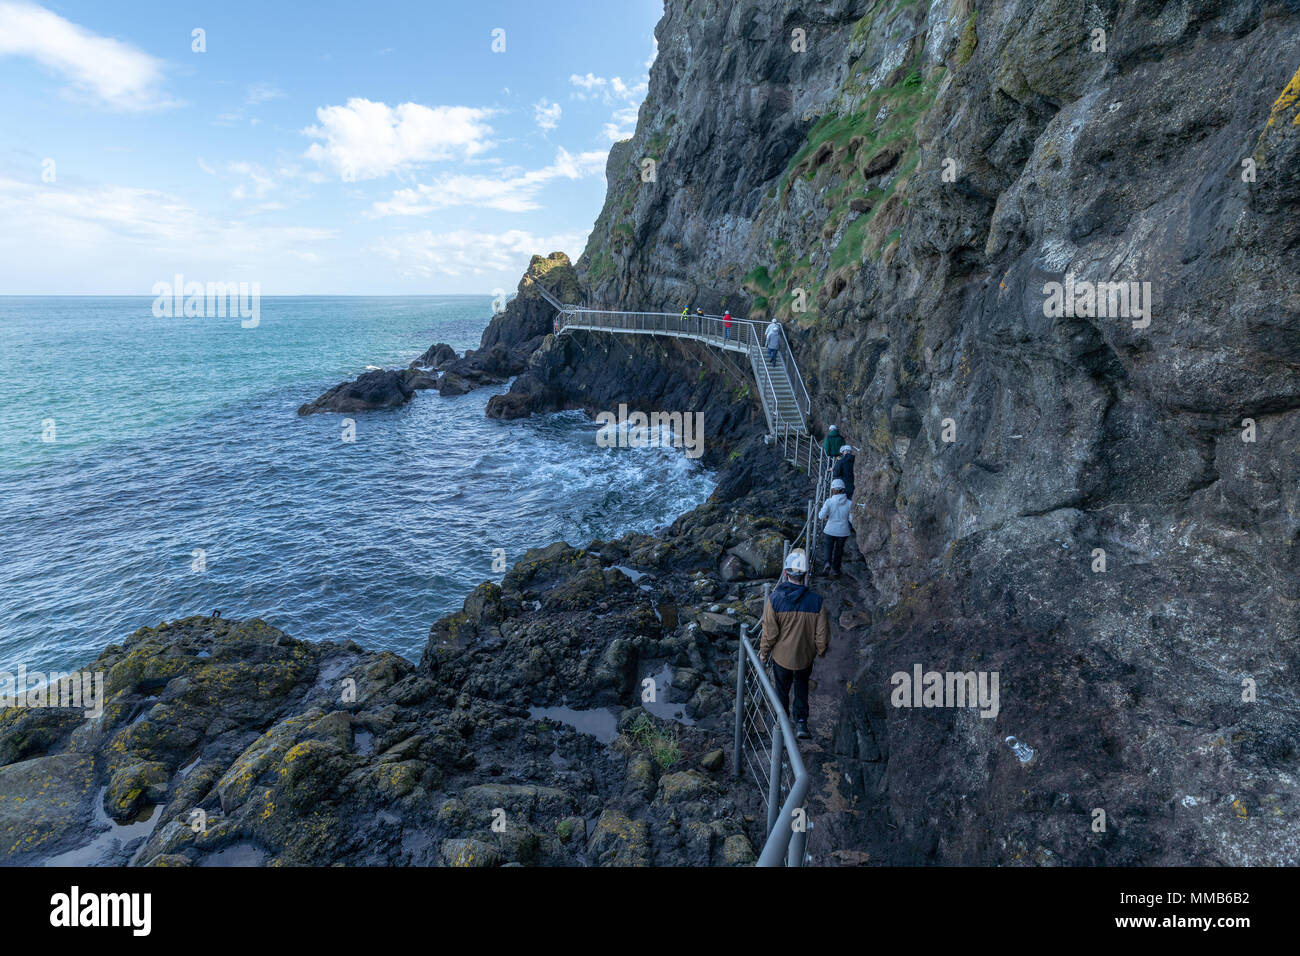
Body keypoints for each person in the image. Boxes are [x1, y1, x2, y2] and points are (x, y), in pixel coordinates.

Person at [760, 549, 828, 739]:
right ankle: (801, 724)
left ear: (785, 573)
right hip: (804, 658)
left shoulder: (774, 600)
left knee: (781, 689)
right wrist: (820, 651)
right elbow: (822, 635)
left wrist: (764, 653)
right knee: (801, 687)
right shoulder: (817, 602)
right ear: (805, 575)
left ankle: (781, 725)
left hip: (781, 658)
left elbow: (769, 633)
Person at [819, 478, 852, 577]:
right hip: (843, 531)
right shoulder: (849, 503)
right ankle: (836, 570)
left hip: (830, 529)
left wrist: (827, 515)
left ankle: (827, 564)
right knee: (839, 550)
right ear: (843, 489)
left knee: (828, 547)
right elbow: (851, 519)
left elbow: (821, 516)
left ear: (833, 489)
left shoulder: (829, 501)